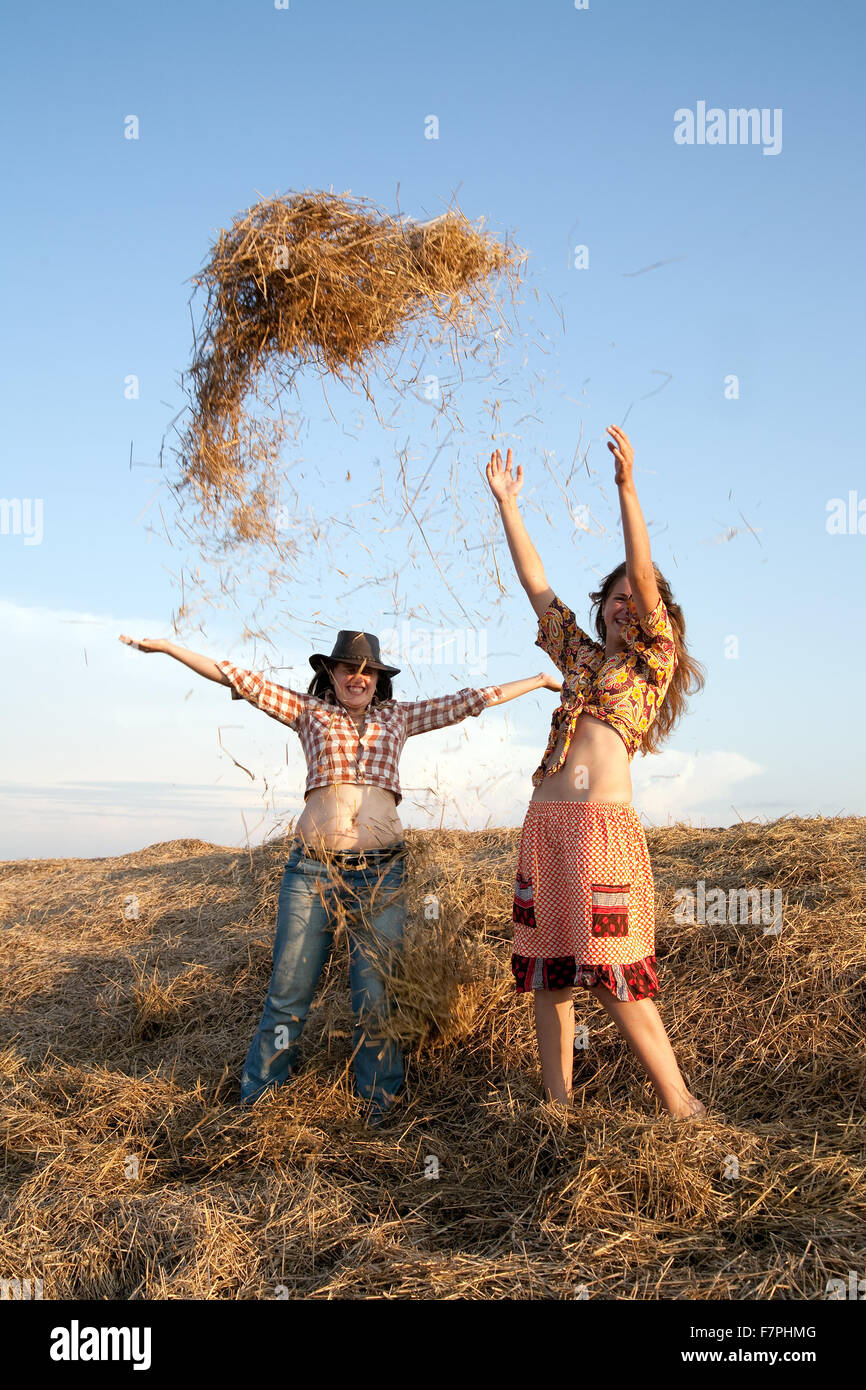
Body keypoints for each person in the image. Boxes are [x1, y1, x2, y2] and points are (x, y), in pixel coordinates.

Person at [119, 625, 558, 1123]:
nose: (359, 677)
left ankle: (380, 1107)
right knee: (289, 992)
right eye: (349, 668)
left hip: (382, 874)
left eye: (368, 670)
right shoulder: (309, 713)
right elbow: (237, 678)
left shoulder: (398, 717)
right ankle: (257, 1101)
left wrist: (541, 679)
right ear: (331, 672)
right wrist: (168, 648)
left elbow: (470, 700)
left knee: (377, 996)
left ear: (379, 678)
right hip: (313, 869)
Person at [486, 425, 707, 1118]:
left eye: (633, 599)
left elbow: (643, 576)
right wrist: (508, 506)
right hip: (543, 829)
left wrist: (626, 487)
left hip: (600, 833)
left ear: (654, 614)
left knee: (614, 977)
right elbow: (537, 587)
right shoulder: (579, 659)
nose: (622, 603)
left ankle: (681, 1103)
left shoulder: (651, 663)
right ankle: (559, 1109)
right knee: (549, 977)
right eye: (610, 597)